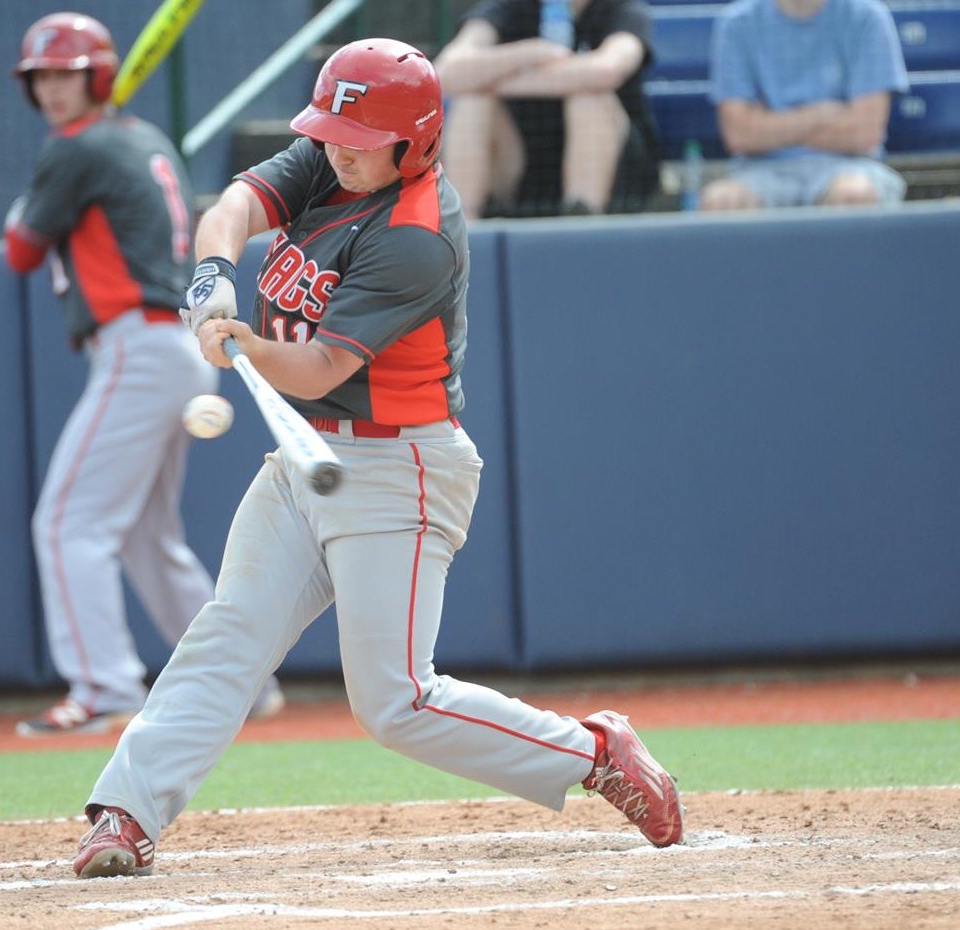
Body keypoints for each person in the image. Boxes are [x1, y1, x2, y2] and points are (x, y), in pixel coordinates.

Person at [68, 38, 684, 879]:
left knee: (394, 702)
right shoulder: (334, 157)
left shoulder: (417, 234)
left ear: (416, 141)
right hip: (305, 456)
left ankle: (596, 751)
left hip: (401, 470)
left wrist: (238, 343)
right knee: (229, 633)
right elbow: (232, 211)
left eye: (360, 140)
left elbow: (324, 366)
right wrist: (214, 272)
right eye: (331, 133)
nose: (339, 150)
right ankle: (127, 815)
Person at [2, 12, 283, 736]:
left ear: (96, 75)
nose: (54, 89)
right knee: (144, 535)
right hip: (180, 350)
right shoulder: (137, 138)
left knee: (69, 522)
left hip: (139, 347)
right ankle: (242, 679)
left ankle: (102, 687)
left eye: (67, 74)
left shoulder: (78, 147)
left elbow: (22, 252)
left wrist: (20, 211)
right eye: (43, 77)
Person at [434, 0, 661, 218]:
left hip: (619, 173)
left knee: (588, 97)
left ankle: (583, 222)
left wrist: (494, 81)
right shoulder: (506, 8)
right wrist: (531, 52)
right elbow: (445, 72)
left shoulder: (623, 9)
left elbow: (606, 70)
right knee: (473, 100)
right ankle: (464, 231)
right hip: (518, 169)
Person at [699, 0, 909, 211]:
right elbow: (740, 135)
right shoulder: (737, 23)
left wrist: (769, 126)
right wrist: (823, 114)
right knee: (722, 202)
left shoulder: (868, 16)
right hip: (759, 170)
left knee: (853, 195)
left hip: (851, 166)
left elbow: (864, 133)